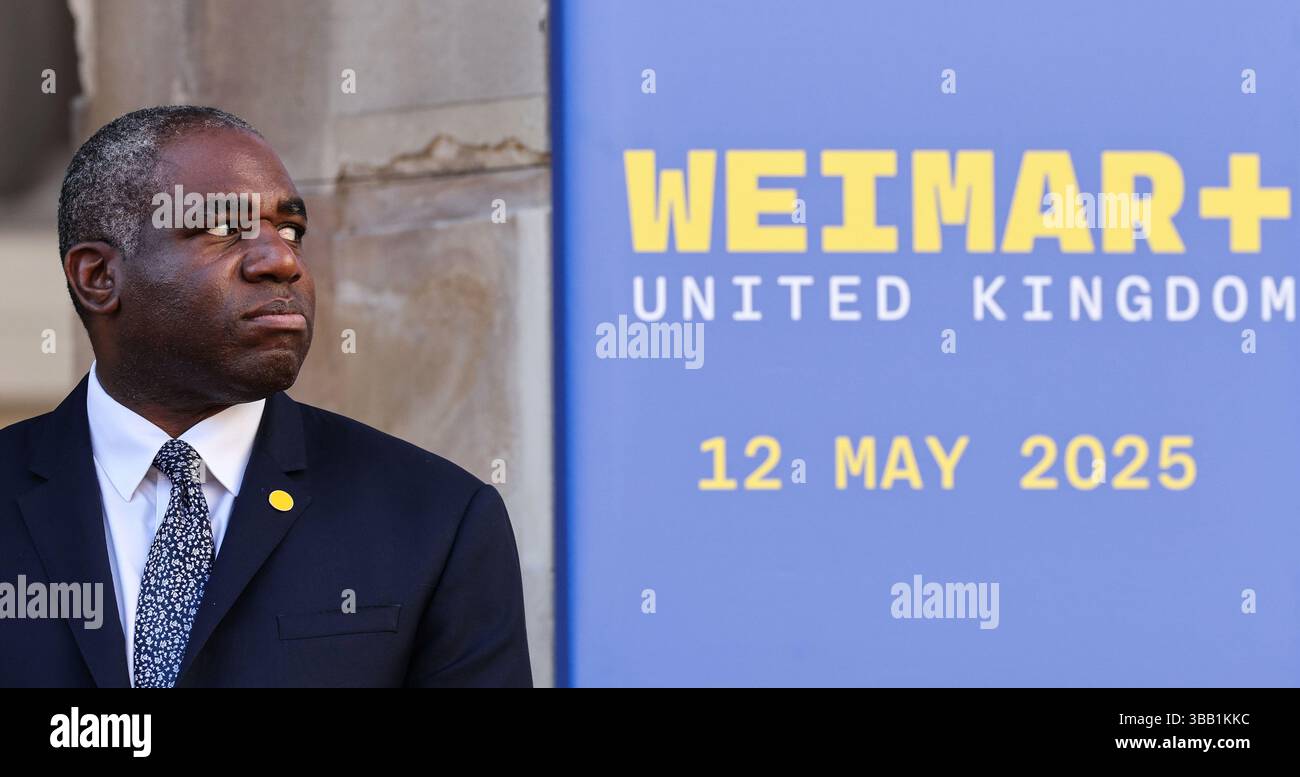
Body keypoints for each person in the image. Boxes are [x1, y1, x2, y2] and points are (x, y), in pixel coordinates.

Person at [0, 106, 532, 687]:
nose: (281, 260)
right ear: (99, 277)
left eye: (290, 230)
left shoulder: (436, 518)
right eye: (225, 228)